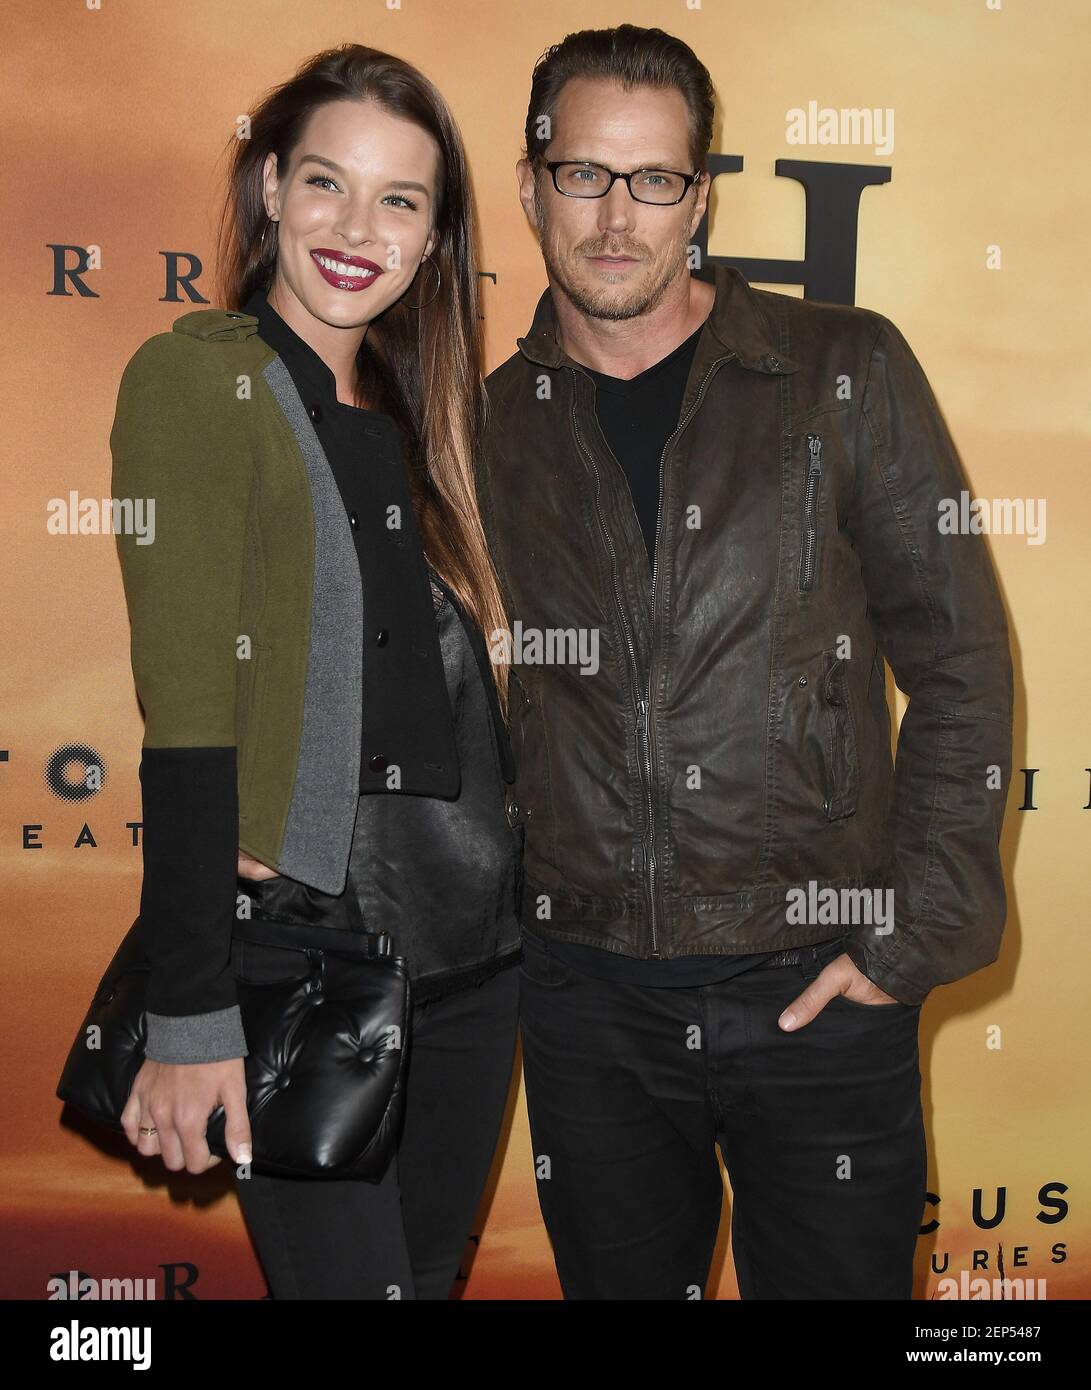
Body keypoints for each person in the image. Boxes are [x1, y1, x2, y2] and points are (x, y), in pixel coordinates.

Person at [476, 24, 1013, 1299]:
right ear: (528, 182)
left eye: (653, 179)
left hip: (816, 984)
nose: (616, 218)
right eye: (581, 175)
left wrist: (905, 941)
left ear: (700, 194)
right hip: (587, 999)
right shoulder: (483, 423)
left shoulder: (842, 368)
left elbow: (959, 662)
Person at [110, 44, 522, 1299]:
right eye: (326, 184)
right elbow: (185, 721)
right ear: (269, 190)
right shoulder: (202, 382)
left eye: (399, 200)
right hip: (305, 964)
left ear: (434, 235)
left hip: (473, 966)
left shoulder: (420, 422)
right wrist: (188, 1015)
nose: (358, 229)